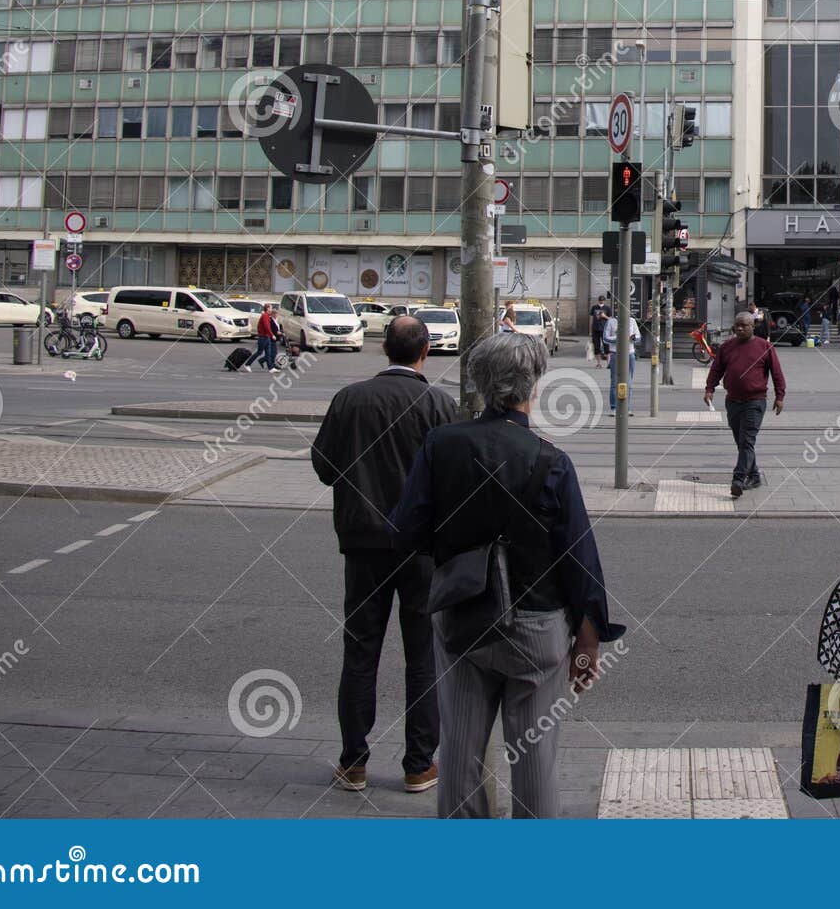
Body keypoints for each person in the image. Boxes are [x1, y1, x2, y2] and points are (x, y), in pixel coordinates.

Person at [391, 333, 624, 818]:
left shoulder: (441, 445)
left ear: (478, 383)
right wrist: (589, 640)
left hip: (461, 618)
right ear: (531, 387)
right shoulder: (551, 460)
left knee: (459, 750)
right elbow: (579, 556)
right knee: (535, 757)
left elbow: (408, 529)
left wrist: (457, 549)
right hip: (537, 625)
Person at [312, 315, 460, 795]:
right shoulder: (440, 404)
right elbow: (455, 481)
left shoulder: (349, 400)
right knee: (423, 655)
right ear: (426, 353)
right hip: (421, 549)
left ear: (384, 350)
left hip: (363, 543)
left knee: (360, 651)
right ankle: (419, 765)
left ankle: (353, 763)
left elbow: (324, 467)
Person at [704, 311, 786, 498]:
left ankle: (738, 480)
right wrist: (709, 389)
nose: (740, 328)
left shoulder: (764, 346)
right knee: (742, 443)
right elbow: (716, 369)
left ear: (753, 326)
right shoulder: (727, 347)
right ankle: (754, 475)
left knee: (747, 441)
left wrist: (780, 396)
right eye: (737, 325)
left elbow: (777, 373)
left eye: (744, 325)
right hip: (732, 401)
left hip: (755, 402)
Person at [603, 304, 641, 414]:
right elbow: (605, 338)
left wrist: (633, 338)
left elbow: (638, 337)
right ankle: (614, 407)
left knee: (628, 382)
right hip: (616, 354)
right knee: (615, 381)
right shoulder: (611, 321)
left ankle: (626, 407)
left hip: (629, 354)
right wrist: (618, 338)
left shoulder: (632, 321)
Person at [254, 302, 281, 372]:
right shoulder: (266, 316)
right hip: (267, 337)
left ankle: (271, 367)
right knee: (262, 352)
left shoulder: (271, 318)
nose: (277, 315)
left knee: (269, 353)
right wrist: (272, 335)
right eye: (271, 308)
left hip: (268, 337)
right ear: (268, 308)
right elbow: (267, 328)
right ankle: (250, 363)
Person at [589, 296, 609, 368]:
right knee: (596, 347)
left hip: (605, 330)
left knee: (606, 347)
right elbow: (591, 319)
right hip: (595, 329)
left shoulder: (607, 308)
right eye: (600, 301)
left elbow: (611, 319)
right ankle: (599, 363)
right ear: (598, 301)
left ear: (605, 301)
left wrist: (604, 316)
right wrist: (590, 331)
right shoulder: (594, 307)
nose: (601, 302)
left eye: (603, 301)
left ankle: (608, 363)